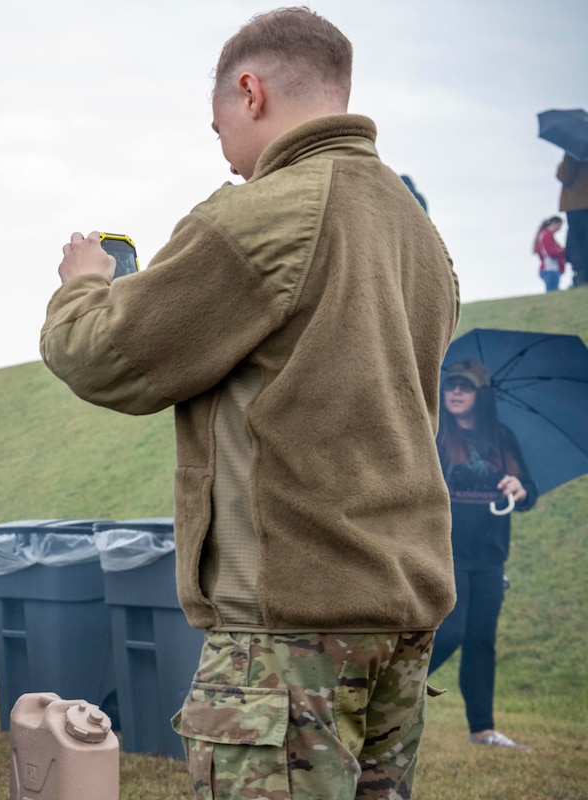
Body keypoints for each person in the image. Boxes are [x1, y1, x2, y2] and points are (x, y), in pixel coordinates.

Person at [39, 8, 459, 798]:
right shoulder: (418, 230)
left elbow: (103, 359)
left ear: (250, 90)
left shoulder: (261, 213)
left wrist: (84, 283)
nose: (227, 156)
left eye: (218, 125)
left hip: (290, 625)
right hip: (400, 610)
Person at [429, 358, 536, 749]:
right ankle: (395, 688)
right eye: (451, 383)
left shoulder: (501, 437)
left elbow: (529, 491)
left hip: (490, 555)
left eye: (466, 385)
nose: (455, 391)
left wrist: (519, 488)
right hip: (447, 550)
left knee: (481, 640)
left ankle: (482, 730)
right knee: (452, 631)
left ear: (481, 394)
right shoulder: (435, 432)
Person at [557, 154, 588, 287]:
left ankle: (581, 275)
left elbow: (564, 176)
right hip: (578, 205)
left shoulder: (573, 153)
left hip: (576, 204)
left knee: (578, 240)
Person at [533, 215, 566, 292]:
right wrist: (563, 250)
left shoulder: (545, 235)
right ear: (555, 223)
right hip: (550, 269)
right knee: (552, 292)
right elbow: (551, 252)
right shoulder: (546, 235)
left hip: (551, 269)